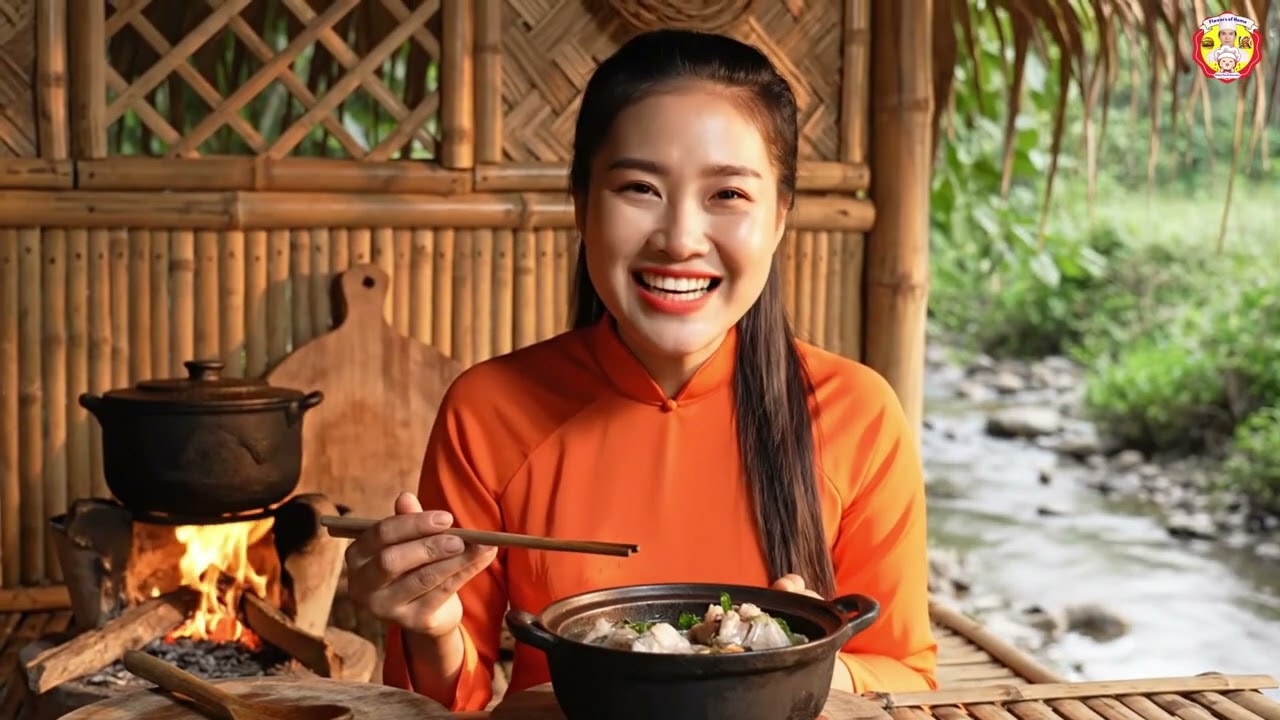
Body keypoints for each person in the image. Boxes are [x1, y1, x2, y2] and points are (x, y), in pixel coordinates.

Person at [343, 28, 938, 713]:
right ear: (581, 205)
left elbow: (903, 675)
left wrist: (790, 660)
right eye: (639, 187)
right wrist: (432, 628)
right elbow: (454, 707)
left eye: (729, 196)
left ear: (780, 217)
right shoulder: (489, 408)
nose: (680, 238)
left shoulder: (855, 410)